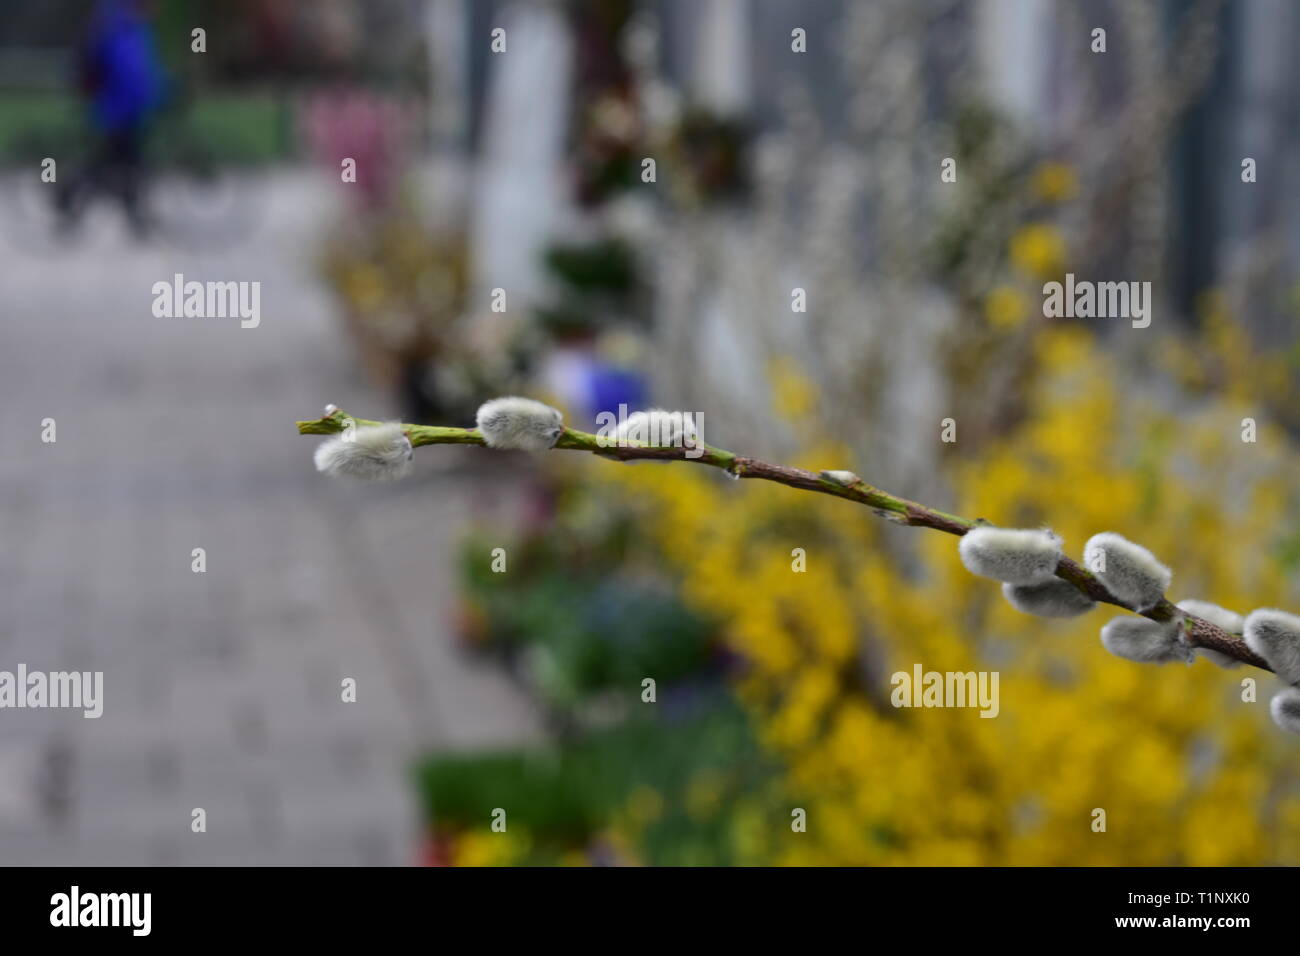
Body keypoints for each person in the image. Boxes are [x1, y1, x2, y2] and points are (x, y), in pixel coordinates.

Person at [58, 0, 167, 237]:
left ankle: (135, 218)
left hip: (123, 109)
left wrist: (166, 90)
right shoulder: (120, 22)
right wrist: (162, 96)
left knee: (125, 164)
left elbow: (146, 71)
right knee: (113, 165)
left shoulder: (130, 22)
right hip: (117, 109)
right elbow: (131, 74)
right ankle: (69, 196)